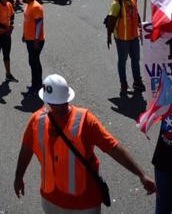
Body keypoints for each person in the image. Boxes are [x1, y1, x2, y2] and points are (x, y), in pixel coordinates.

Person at [14, 73, 156, 213]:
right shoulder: (36, 121)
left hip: (83, 205)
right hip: (53, 201)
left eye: (60, 103)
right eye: (55, 104)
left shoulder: (85, 120)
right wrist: (19, 176)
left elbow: (113, 148)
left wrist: (141, 174)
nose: (58, 107)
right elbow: (26, 149)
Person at [105, 0, 144, 94]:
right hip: (122, 38)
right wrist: (109, 36)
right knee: (122, 61)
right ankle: (124, 84)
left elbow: (137, 15)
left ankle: (137, 82)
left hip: (133, 36)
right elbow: (111, 20)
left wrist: (141, 28)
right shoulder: (117, 3)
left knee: (136, 60)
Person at [21, 0, 45, 94]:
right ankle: (35, 84)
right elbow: (27, 21)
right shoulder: (28, 5)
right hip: (30, 38)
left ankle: (37, 87)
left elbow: (39, 23)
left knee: (34, 62)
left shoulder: (36, 7)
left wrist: (36, 39)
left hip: (35, 40)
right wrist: (24, 34)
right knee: (32, 61)